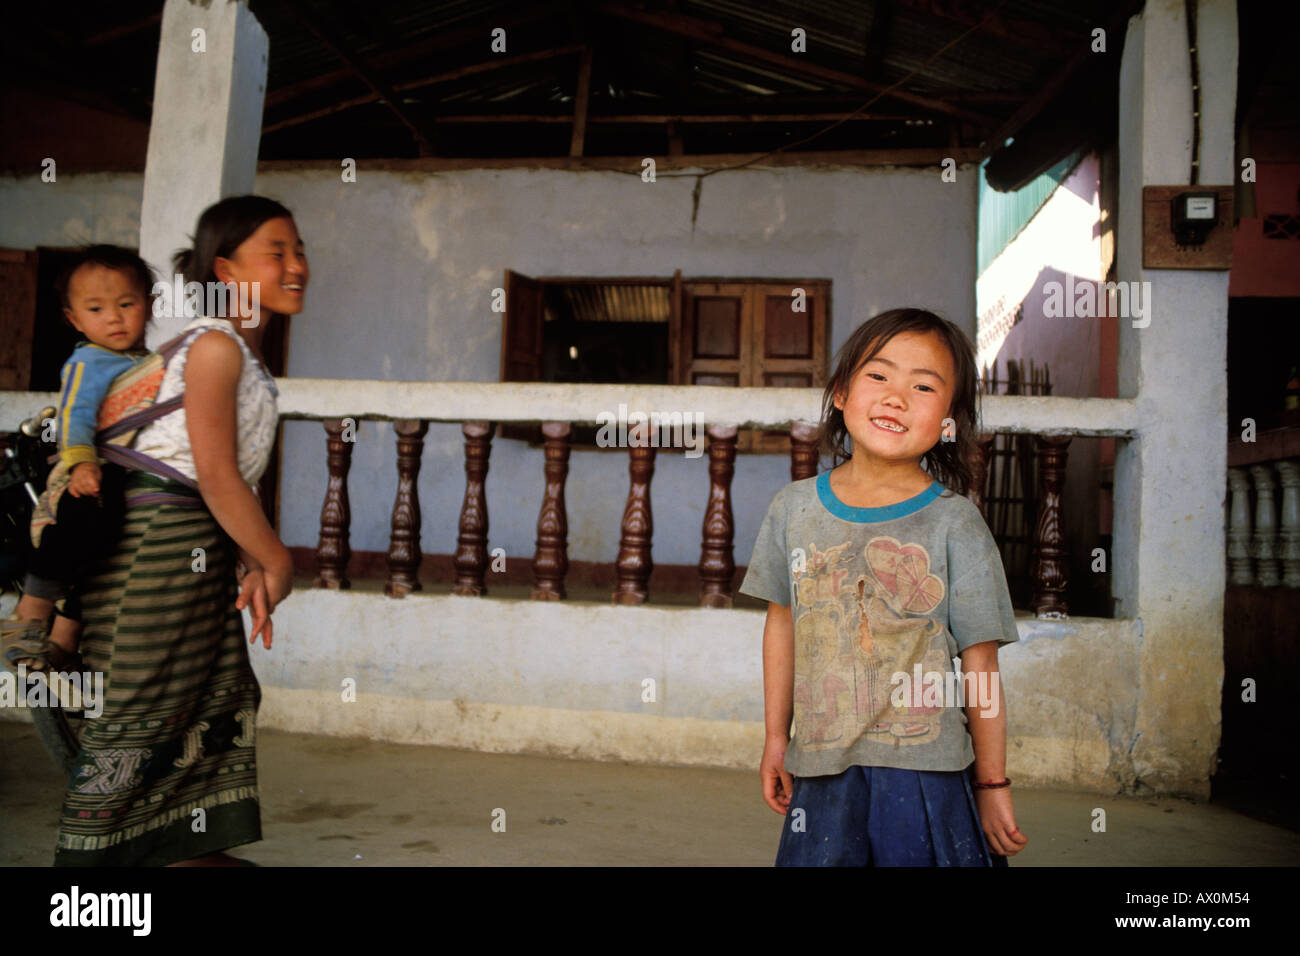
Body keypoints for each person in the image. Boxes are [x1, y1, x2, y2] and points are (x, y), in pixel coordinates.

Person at [52, 195, 308, 866]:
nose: (297, 266)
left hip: (193, 546)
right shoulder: (215, 347)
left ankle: (185, 851)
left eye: (299, 250)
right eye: (277, 252)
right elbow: (216, 476)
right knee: (142, 708)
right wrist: (277, 561)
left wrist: (248, 557)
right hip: (159, 552)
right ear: (226, 270)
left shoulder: (235, 351)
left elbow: (223, 475)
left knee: (207, 700)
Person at [740, 307, 1029, 866]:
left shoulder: (956, 523)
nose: (896, 397)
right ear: (841, 393)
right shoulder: (793, 509)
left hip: (926, 774)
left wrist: (992, 784)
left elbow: (982, 665)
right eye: (878, 375)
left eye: (924, 386)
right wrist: (777, 738)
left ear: (949, 420)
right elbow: (782, 626)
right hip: (822, 765)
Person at [1, 246, 154, 672]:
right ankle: (30, 612)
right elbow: (75, 415)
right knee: (77, 528)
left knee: (103, 556)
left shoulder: (149, 363)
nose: (114, 318)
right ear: (74, 319)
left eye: (126, 304)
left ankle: (64, 639)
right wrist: (82, 464)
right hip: (87, 470)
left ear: (149, 305)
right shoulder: (89, 360)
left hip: (124, 475)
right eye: (96, 308)